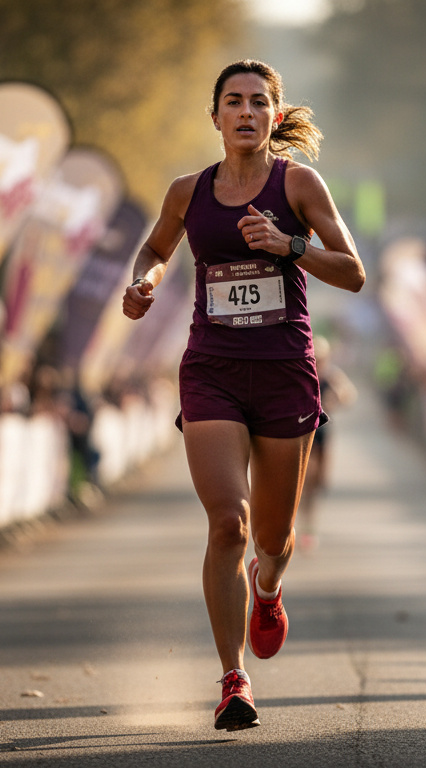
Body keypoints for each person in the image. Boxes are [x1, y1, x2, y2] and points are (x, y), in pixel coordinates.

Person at [121, 59, 365, 732]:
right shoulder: (187, 191)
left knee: (275, 535)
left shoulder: (299, 184)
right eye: (234, 101)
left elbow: (354, 273)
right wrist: (145, 281)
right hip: (213, 368)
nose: (247, 111)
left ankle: (269, 586)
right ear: (217, 116)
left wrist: (290, 245)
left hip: (284, 368)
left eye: (260, 102)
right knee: (229, 522)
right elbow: (154, 249)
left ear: (273, 115)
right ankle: (234, 679)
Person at [297, 335, 357, 551]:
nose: (318, 362)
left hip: (322, 432)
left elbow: (349, 394)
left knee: (317, 483)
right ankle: (299, 528)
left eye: (321, 358)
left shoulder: (331, 375)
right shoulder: (301, 373)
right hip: (302, 433)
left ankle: (307, 527)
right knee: (305, 479)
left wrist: (336, 399)